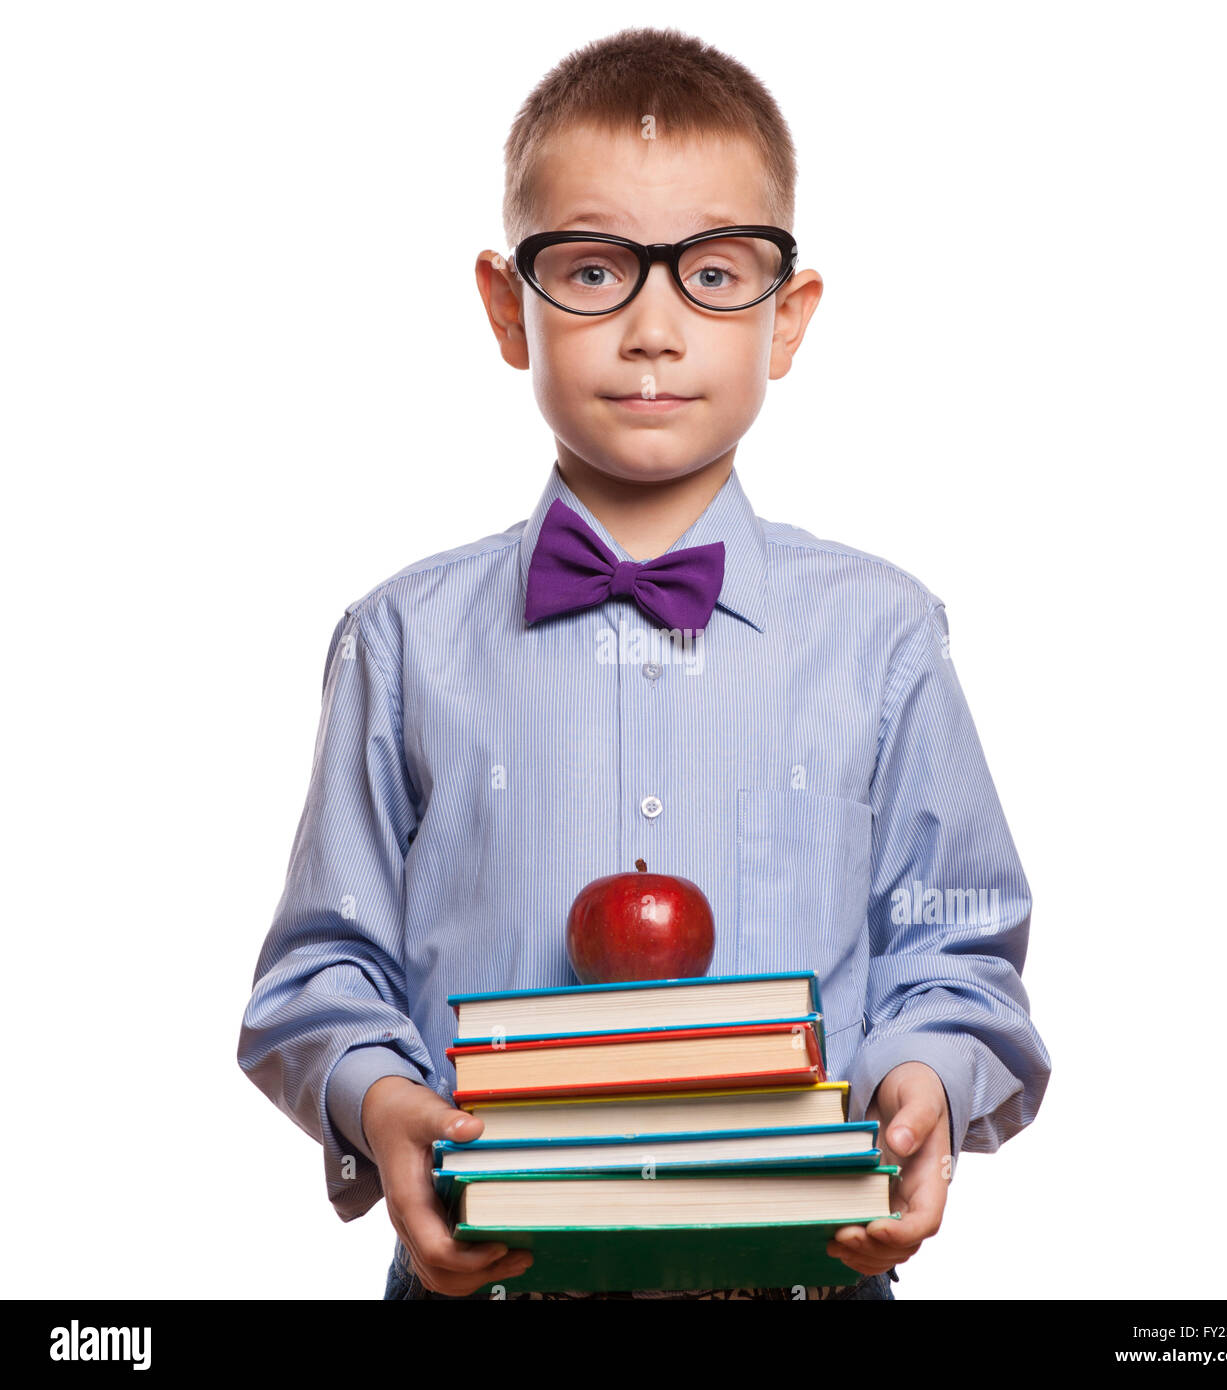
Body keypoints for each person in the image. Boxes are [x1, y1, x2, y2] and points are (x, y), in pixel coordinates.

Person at [236, 26, 1051, 1302]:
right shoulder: (400, 639)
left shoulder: (884, 634)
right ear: (511, 307)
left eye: (716, 273)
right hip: (485, 1272)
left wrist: (925, 1077)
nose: (655, 330)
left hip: (806, 1275)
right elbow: (318, 969)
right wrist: (380, 1101)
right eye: (597, 269)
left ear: (789, 318)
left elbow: (953, 938)